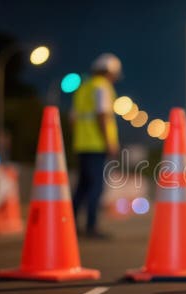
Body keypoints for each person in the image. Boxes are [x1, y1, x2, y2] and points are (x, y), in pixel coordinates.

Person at [70, 53, 121, 238]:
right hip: (96, 145)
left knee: (82, 186)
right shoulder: (102, 87)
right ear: (110, 72)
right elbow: (102, 115)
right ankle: (91, 226)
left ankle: (69, 225)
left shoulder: (84, 88)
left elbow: (72, 119)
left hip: (82, 144)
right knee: (95, 186)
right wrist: (109, 142)